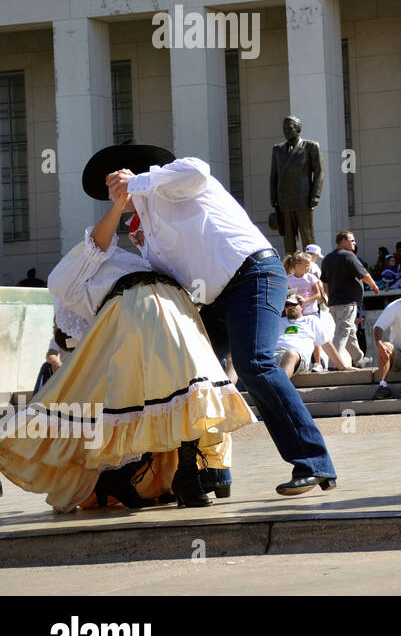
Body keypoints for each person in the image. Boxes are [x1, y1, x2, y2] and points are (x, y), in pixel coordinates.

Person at [0, 154, 253, 511]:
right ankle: (184, 477)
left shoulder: (145, 257)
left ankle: (173, 474)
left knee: (188, 388)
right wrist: (119, 205)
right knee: (187, 385)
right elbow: (94, 247)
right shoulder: (85, 267)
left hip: (174, 309)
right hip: (143, 307)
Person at [103, 146, 339, 496]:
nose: (117, 193)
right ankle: (210, 472)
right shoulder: (147, 235)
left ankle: (314, 463)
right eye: (112, 191)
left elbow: (198, 170)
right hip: (216, 300)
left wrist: (138, 181)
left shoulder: (171, 181)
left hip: (253, 275)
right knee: (189, 376)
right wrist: (144, 247)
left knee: (255, 365)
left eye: (116, 182)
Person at [322, 230, 380, 368]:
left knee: (350, 331)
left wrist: (329, 299)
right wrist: (374, 285)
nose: (354, 243)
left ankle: (359, 359)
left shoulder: (327, 259)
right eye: (351, 240)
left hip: (335, 303)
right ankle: (333, 365)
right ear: (342, 241)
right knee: (343, 332)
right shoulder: (348, 255)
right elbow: (363, 274)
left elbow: (325, 283)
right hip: (347, 303)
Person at [269, 115, 323, 254]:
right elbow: (274, 176)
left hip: (303, 198)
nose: (286, 131)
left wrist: (315, 195)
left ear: (298, 129)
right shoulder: (277, 149)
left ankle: (311, 267)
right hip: (284, 200)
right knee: (288, 239)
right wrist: (273, 198)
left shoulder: (310, 146)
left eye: (289, 128)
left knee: (307, 235)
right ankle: (291, 269)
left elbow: (319, 172)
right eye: (284, 128)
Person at [275, 294, 328, 376]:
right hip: (276, 355)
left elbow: (326, 344)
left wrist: (343, 367)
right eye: (287, 305)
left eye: (293, 304)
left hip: (297, 357)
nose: (290, 307)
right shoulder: (278, 321)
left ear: (301, 306)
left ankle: (278, 387)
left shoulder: (311, 320)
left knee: (290, 354)